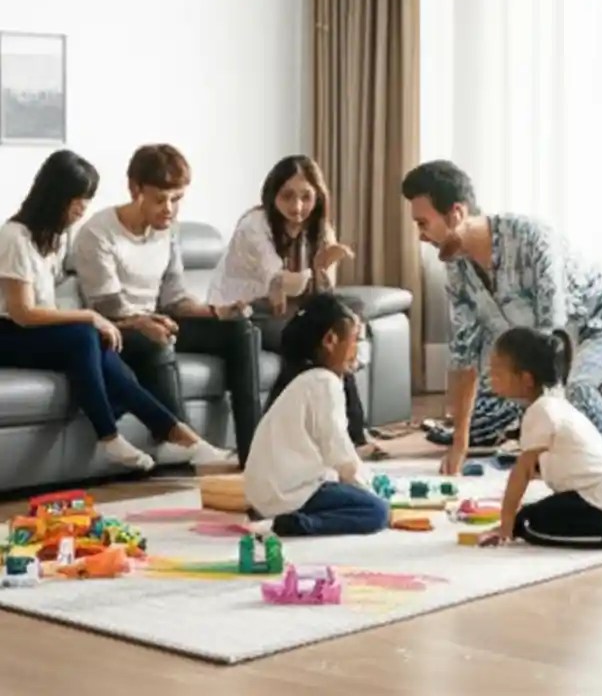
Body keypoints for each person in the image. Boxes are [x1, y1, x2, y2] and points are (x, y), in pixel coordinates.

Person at [0, 150, 235, 471]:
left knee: (100, 346)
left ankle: (182, 437)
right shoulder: (14, 237)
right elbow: (23, 313)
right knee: (87, 335)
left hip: (38, 332)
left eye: (87, 198)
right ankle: (110, 436)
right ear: (55, 195)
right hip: (9, 334)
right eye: (78, 199)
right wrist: (90, 316)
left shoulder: (55, 239)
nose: (83, 208)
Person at [402, 160, 602, 475]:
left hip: (600, 328)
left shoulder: (533, 240)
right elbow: (464, 357)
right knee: (487, 406)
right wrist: (461, 442)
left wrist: (541, 437)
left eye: (423, 224)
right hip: (547, 348)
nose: (420, 236)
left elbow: (551, 342)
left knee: (576, 390)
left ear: (456, 213)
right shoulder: (457, 268)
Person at [70, 144, 257, 467]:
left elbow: (175, 298)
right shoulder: (98, 233)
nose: (169, 209)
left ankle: (252, 451)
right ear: (134, 189)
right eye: (160, 199)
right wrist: (146, 321)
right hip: (116, 330)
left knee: (241, 331)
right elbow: (107, 306)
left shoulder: (167, 232)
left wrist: (217, 311)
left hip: (156, 319)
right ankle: (181, 443)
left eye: (177, 199)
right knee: (156, 338)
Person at [207, 154, 385, 458]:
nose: (298, 206)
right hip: (244, 313)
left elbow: (322, 293)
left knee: (336, 327)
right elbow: (280, 281)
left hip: (292, 311)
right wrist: (316, 268)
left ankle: (346, 434)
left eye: (306, 197)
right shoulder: (255, 225)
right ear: (272, 194)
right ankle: (348, 436)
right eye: (288, 196)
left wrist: (322, 272)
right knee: (314, 339)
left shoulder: (318, 227)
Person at [243, 293, 389, 537]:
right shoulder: (324, 383)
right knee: (376, 511)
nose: (357, 350)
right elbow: (338, 450)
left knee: (355, 495)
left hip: (264, 495)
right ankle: (297, 524)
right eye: (355, 340)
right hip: (290, 494)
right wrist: (366, 489)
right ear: (331, 340)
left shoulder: (303, 381)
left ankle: (284, 516)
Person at [478, 327, 602, 549]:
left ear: (526, 379)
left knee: (527, 522)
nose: (490, 378)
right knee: (532, 513)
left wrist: (506, 525)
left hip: (598, 505)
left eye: (497, 373)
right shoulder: (552, 403)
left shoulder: (541, 410)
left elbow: (521, 473)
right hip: (596, 497)